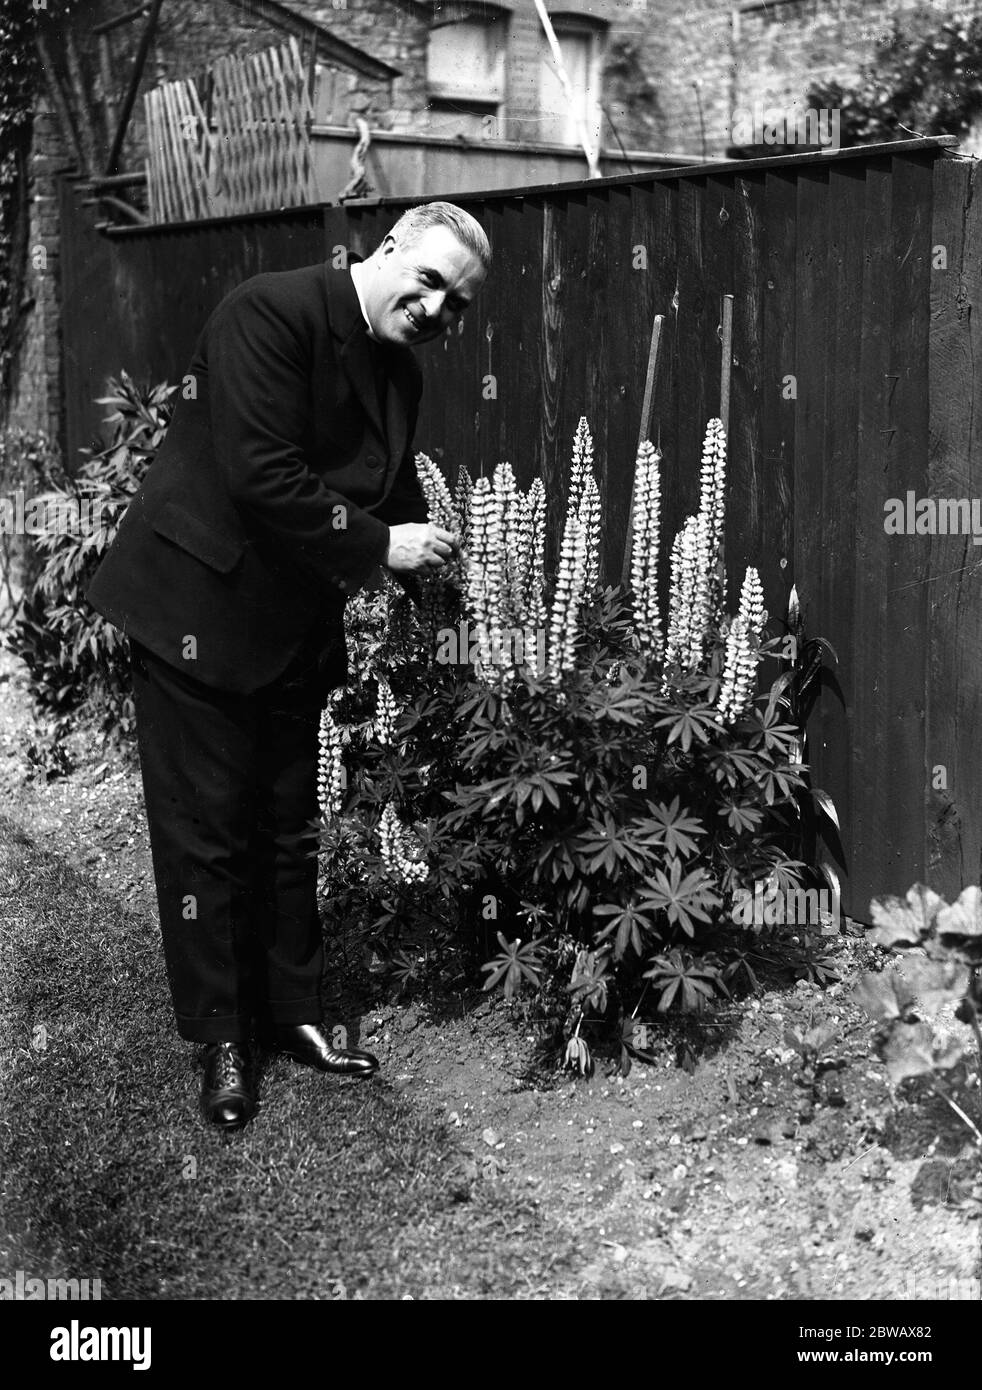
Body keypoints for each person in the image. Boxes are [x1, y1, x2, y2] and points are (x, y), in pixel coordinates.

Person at [86, 201, 491, 1129]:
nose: (436, 311)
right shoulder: (270, 312)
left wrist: (441, 569)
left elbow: (385, 486)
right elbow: (261, 473)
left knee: (284, 826)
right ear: (388, 250)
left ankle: (296, 1013)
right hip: (196, 603)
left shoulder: (399, 371)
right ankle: (223, 1037)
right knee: (206, 836)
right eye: (428, 281)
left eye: (457, 305)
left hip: (291, 623)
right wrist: (383, 546)